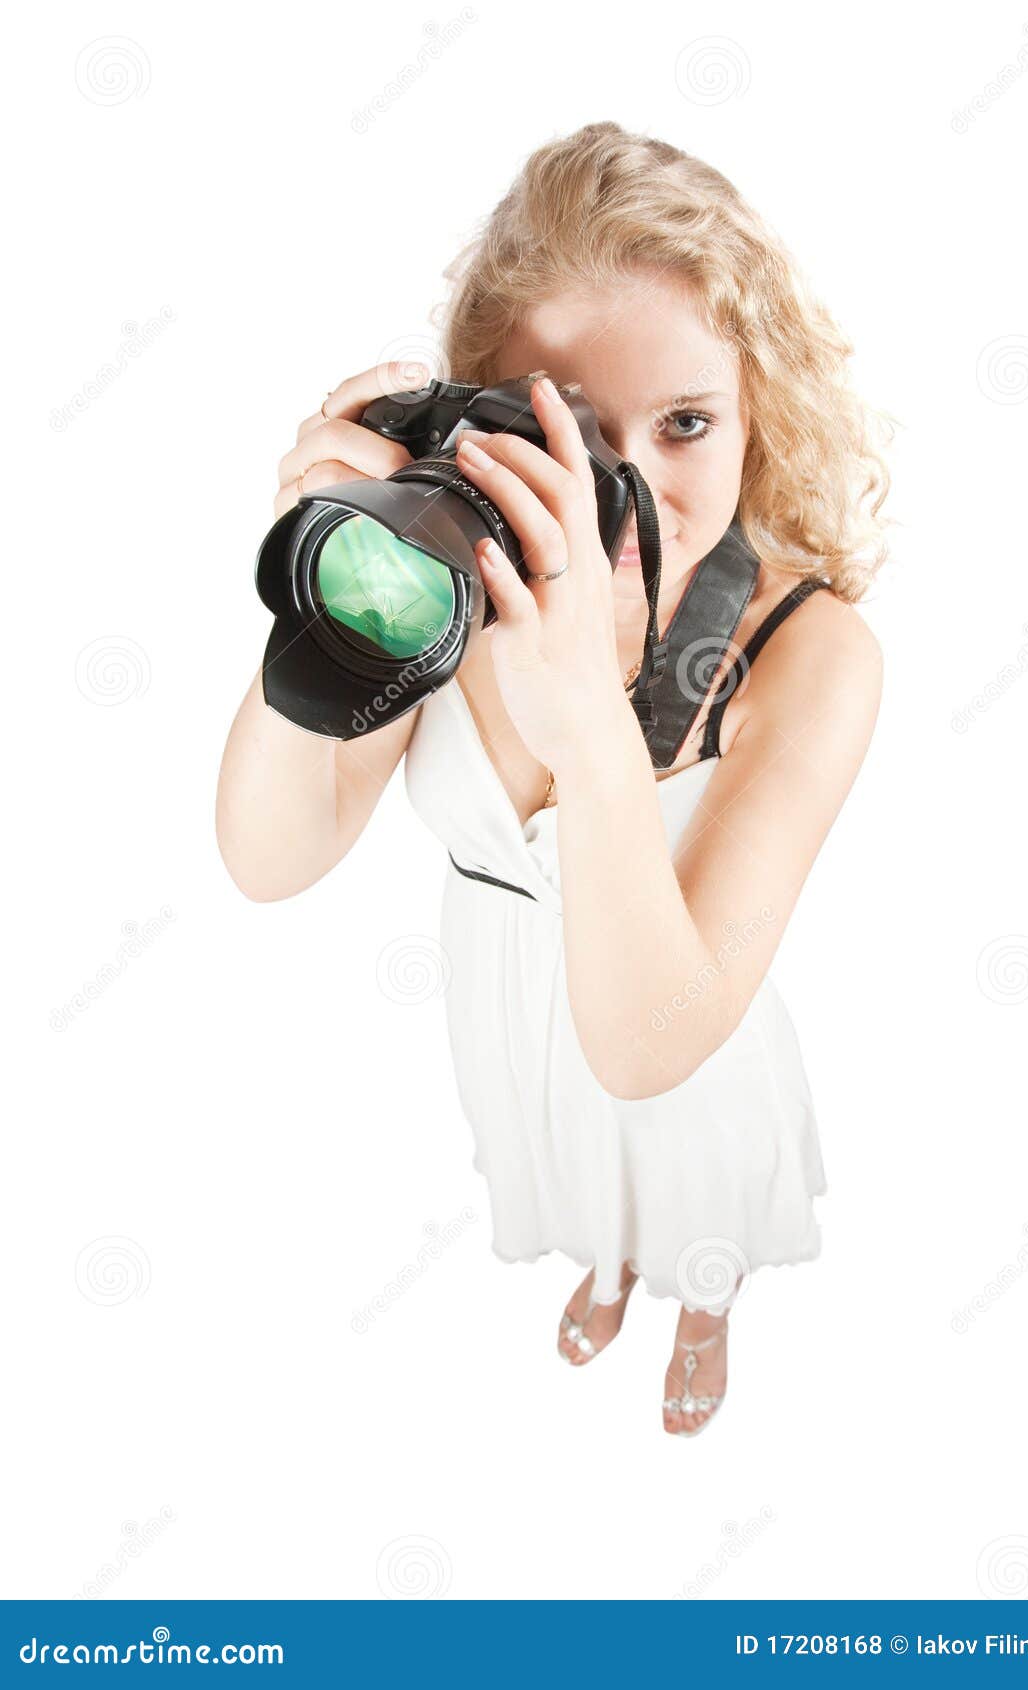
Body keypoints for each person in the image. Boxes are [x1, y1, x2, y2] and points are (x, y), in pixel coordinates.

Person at [216, 121, 890, 1438]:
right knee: (578, 1169)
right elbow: (268, 857)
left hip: (686, 1020)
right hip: (509, 997)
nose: (637, 488)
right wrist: (344, 587)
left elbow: (652, 1043)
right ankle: (610, 1256)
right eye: (575, 435)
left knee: (691, 1173)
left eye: (690, 422)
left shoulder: (811, 654)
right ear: (484, 431)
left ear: (763, 411)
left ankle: (703, 1295)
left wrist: (587, 712)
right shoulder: (456, 588)